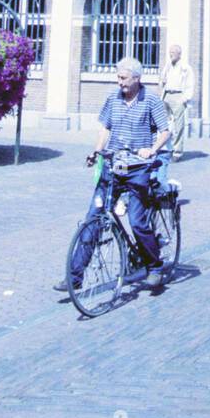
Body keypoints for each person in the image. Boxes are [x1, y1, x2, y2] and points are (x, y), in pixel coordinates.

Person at [57, 57, 171, 292]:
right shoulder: (113, 98)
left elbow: (165, 132)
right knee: (93, 220)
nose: (120, 83)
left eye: (124, 78)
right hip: (112, 168)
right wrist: (97, 152)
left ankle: (155, 267)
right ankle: (74, 277)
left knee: (137, 222)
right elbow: (105, 127)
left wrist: (152, 149)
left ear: (137, 78)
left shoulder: (150, 100)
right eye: (118, 78)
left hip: (138, 170)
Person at [158, 44, 194, 163]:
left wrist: (184, 99)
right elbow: (162, 79)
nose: (171, 54)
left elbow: (190, 84)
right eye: (170, 52)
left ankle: (177, 152)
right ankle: (166, 149)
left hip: (178, 96)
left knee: (179, 125)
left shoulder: (185, 68)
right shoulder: (168, 66)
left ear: (179, 54)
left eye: (173, 52)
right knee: (165, 124)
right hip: (167, 95)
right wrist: (162, 82)